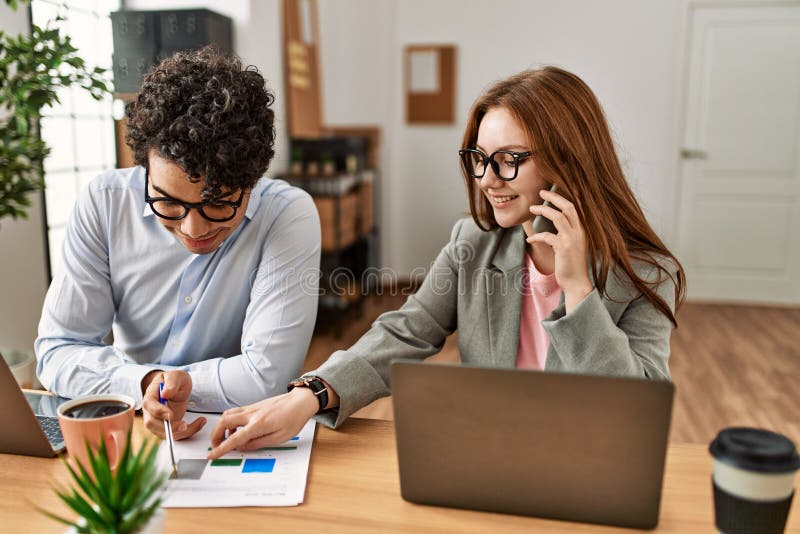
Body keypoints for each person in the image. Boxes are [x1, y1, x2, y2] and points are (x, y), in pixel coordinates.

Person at [206, 66, 686, 458]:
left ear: (569, 160)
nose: (487, 179)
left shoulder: (645, 274)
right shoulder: (474, 243)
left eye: (509, 159)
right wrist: (307, 394)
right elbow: (405, 330)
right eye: (479, 158)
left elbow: (638, 416)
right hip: (489, 459)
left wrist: (579, 290)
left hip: (587, 467)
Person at [35, 47, 321, 441]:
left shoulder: (287, 215)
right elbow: (58, 351)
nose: (193, 227)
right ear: (145, 168)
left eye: (218, 204)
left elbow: (266, 377)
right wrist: (146, 382)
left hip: (230, 431)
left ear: (252, 182)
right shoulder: (104, 203)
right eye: (168, 201)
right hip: (131, 424)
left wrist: (149, 383)